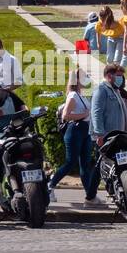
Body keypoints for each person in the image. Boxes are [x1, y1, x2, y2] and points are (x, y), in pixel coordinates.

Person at [47, 67, 98, 203]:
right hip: (75, 131)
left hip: (84, 131)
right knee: (70, 163)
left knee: (85, 164)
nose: (87, 78)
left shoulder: (80, 94)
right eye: (84, 76)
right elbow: (66, 116)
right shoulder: (73, 95)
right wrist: (85, 114)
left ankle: (90, 196)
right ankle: (50, 186)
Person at [90, 61, 127, 151]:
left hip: (118, 137)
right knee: (105, 164)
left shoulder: (116, 90)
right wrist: (100, 134)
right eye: (118, 76)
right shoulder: (101, 90)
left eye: (122, 76)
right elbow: (96, 113)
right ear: (109, 75)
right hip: (106, 138)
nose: (121, 79)